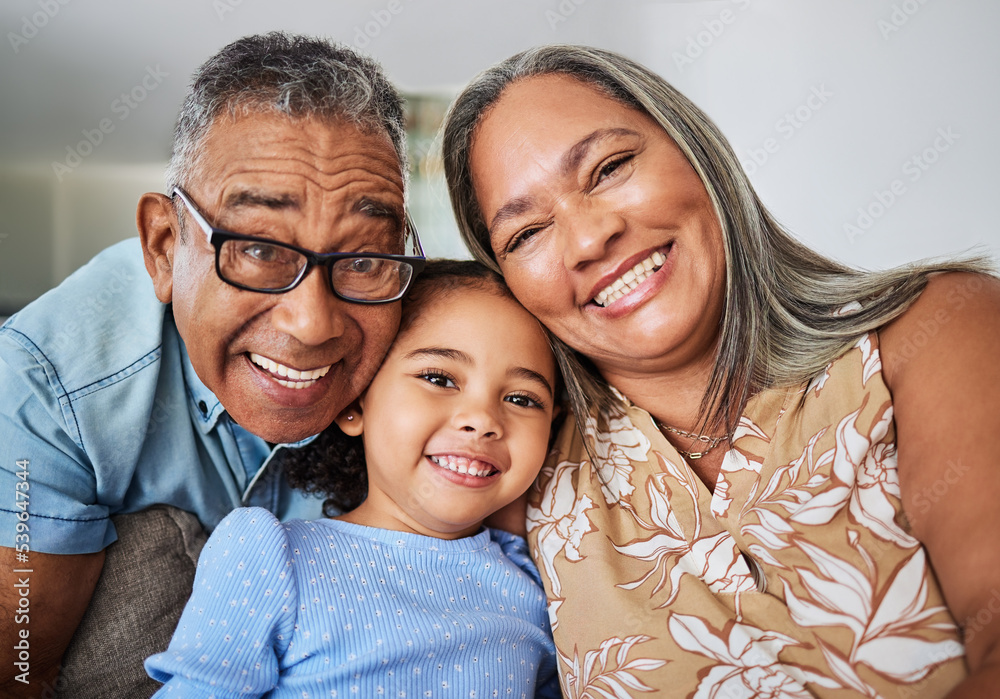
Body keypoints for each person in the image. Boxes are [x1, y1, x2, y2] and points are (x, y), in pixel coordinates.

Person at [442, 44, 1000, 697]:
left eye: (609, 168)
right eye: (526, 233)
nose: (589, 239)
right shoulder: (520, 470)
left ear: (696, 150)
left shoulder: (931, 333)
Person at [0, 32, 423, 692]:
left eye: (364, 258)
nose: (312, 323)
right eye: (258, 249)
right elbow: (20, 669)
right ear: (164, 247)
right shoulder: (44, 385)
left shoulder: (432, 345)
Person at [144, 260, 561, 697]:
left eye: (522, 399)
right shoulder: (271, 557)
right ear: (355, 403)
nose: (483, 420)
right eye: (438, 378)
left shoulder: (543, 587)